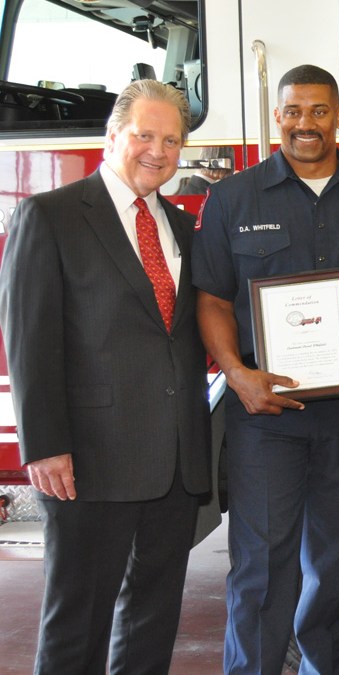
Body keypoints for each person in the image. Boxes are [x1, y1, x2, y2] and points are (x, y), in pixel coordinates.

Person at [192, 65, 339, 674]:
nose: (305, 124)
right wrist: (237, 373)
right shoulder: (233, 198)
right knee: (261, 568)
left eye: (318, 111)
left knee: (333, 567)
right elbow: (211, 298)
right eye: (292, 111)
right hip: (264, 415)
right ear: (277, 116)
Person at [0, 80, 211, 674]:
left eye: (172, 140)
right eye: (145, 135)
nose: (159, 150)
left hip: (173, 461)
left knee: (153, 616)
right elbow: (30, 341)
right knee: (77, 624)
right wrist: (44, 446)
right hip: (88, 462)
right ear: (112, 135)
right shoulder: (51, 216)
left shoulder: (180, 226)